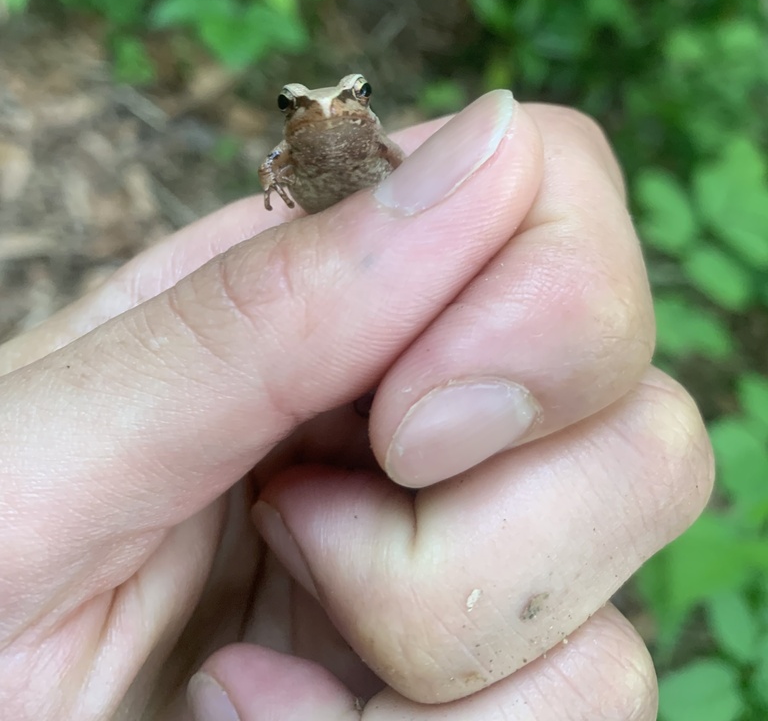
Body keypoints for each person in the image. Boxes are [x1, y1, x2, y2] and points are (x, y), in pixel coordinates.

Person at [0, 92, 713, 721]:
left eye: (353, 97)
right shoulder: (296, 145)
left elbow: (403, 168)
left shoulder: (372, 143)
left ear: (365, 108)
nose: (324, 109)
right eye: (296, 102)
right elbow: (274, 170)